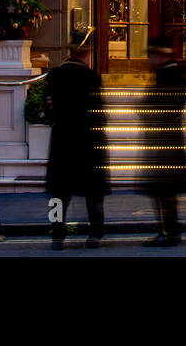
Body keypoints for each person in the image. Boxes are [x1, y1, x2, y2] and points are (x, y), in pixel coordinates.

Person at [44, 31, 108, 250]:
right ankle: (95, 233)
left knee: (59, 192)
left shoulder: (54, 76)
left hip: (63, 139)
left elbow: (48, 109)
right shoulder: (91, 77)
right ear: (87, 52)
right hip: (86, 140)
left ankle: (57, 233)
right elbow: (99, 112)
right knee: (93, 192)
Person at [142, 36, 186, 247]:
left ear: (159, 55)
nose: (148, 59)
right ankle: (170, 231)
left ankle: (167, 232)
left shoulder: (166, 74)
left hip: (164, 140)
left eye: (151, 55)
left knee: (163, 190)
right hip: (170, 139)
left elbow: (159, 105)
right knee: (165, 191)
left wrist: (145, 109)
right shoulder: (173, 72)